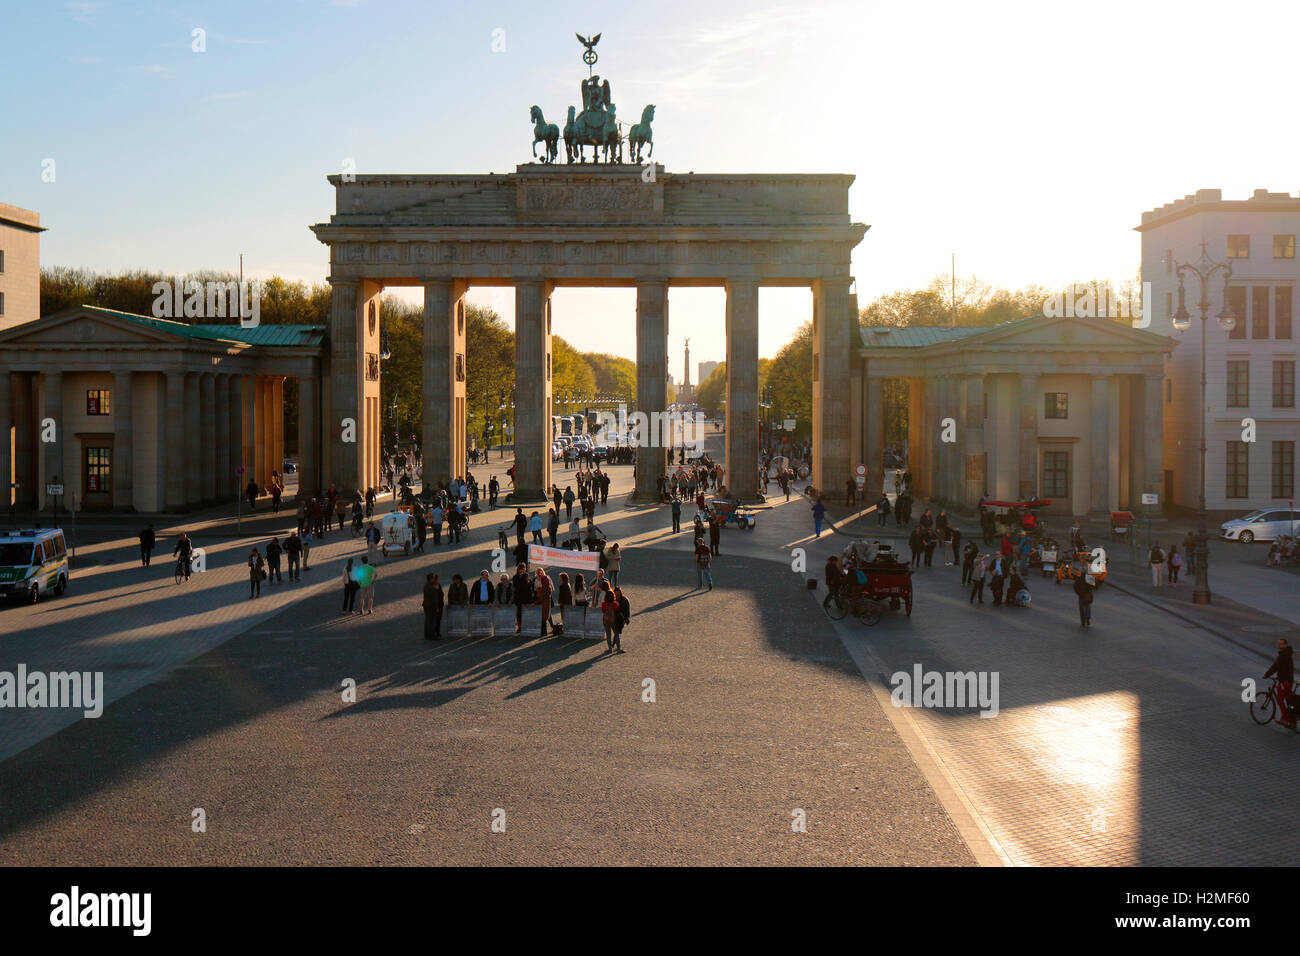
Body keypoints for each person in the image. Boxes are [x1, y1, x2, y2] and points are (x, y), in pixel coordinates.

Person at [1264, 638, 1295, 729]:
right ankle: (1293, 721)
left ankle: (1285, 719)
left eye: (1281, 644)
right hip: (1289, 680)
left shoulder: (1283, 655)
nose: (1279, 646)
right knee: (1290, 701)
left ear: (1285, 645)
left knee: (1280, 700)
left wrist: (1267, 674)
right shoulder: (1288, 654)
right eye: (1279, 644)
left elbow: (1276, 666)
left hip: (1284, 681)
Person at [599, 583, 621, 652]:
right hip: (614, 620)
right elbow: (617, 612)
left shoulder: (603, 604)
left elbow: (603, 611)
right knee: (616, 634)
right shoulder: (615, 604)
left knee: (608, 635)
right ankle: (618, 648)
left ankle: (610, 648)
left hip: (605, 620)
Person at [511, 564, 531, 634]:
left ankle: (526, 626)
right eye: (522, 569)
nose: (524, 570)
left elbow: (527, 586)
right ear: (519, 569)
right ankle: (519, 627)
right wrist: (521, 578)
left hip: (526, 597)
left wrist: (527, 581)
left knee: (525, 612)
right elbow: (516, 586)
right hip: (518, 597)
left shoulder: (526, 575)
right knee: (518, 613)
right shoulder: (515, 577)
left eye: (524, 569)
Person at [423, 573, 444, 640]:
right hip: (431, 606)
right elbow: (433, 598)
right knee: (431, 621)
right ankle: (431, 635)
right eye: (433, 578)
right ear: (431, 579)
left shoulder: (428, 585)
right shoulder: (430, 586)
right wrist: (436, 607)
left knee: (429, 620)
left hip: (429, 605)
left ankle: (428, 635)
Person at [535, 566, 554, 636]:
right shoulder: (536, 579)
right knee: (544, 615)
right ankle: (543, 631)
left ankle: (550, 627)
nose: (540, 573)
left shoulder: (547, 578)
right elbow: (535, 588)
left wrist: (544, 590)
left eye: (541, 572)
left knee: (547, 614)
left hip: (545, 597)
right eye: (538, 572)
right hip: (541, 595)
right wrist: (538, 589)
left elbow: (552, 587)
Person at [611, 586, 630, 653]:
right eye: (615, 592)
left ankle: (613, 645)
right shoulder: (614, 599)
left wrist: (627, 617)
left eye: (617, 592)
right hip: (616, 618)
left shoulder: (624, 599)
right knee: (617, 632)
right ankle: (613, 645)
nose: (616, 594)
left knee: (618, 631)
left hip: (622, 618)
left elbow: (627, 609)